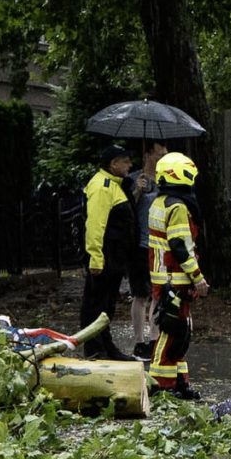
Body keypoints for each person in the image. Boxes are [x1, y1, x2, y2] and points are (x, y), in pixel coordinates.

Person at [148, 151, 210, 399]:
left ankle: (179, 382)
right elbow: (180, 246)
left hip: (163, 278)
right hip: (174, 279)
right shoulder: (178, 207)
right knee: (171, 332)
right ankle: (161, 384)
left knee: (180, 333)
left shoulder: (159, 203)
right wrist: (198, 278)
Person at [79, 144, 141, 361]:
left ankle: (105, 345)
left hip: (115, 256)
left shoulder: (116, 185)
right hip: (105, 256)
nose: (129, 165)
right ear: (113, 164)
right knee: (96, 303)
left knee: (106, 304)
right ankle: (95, 348)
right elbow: (95, 224)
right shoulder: (103, 186)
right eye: (125, 161)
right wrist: (95, 257)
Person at [124, 140, 168, 358]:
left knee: (158, 294)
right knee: (140, 294)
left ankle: (154, 337)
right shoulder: (134, 180)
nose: (162, 159)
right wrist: (137, 192)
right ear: (147, 155)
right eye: (159, 155)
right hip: (140, 245)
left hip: (160, 245)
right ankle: (139, 341)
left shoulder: (165, 181)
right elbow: (125, 209)